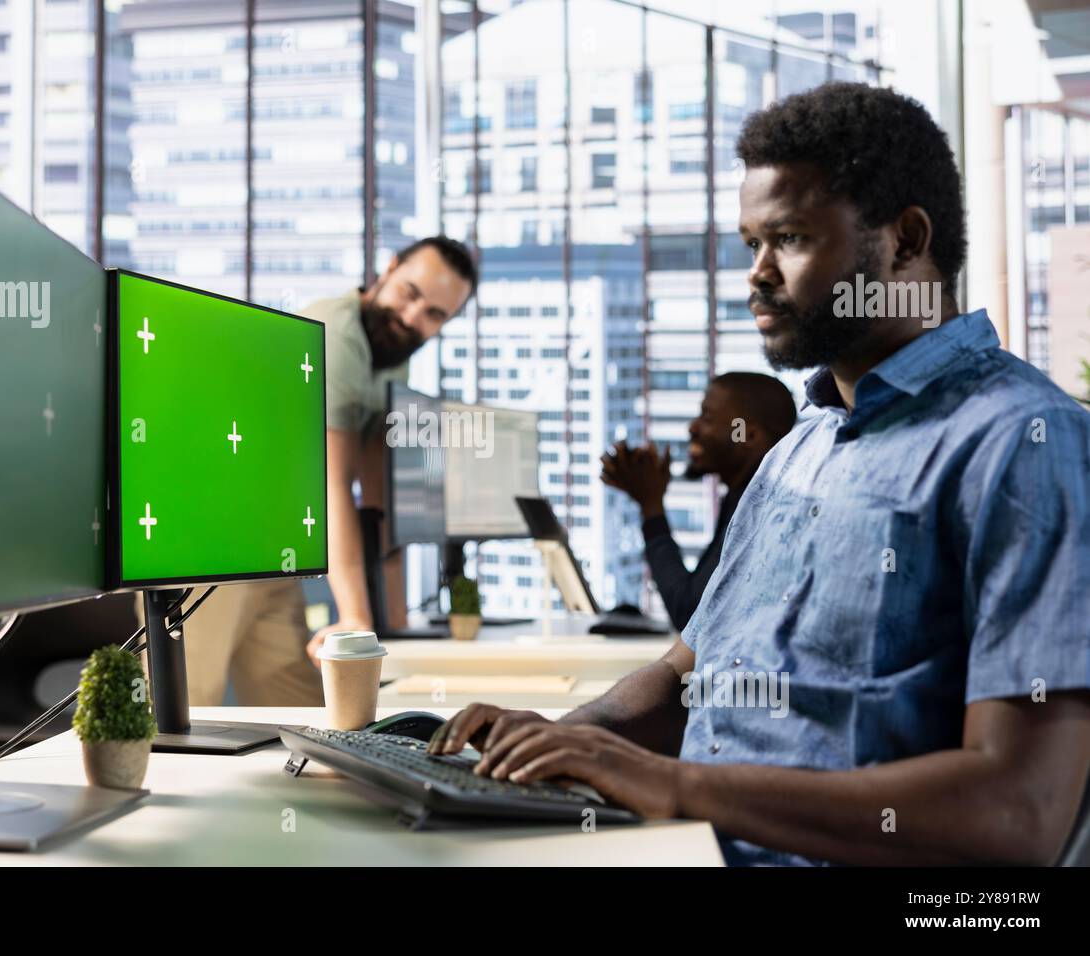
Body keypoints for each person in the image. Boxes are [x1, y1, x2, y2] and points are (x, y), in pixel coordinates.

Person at [427, 82, 1090, 866]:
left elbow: (1018, 814)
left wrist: (672, 786)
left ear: (906, 240)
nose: (758, 274)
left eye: (792, 239)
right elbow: (683, 678)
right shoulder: (796, 453)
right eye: (752, 245)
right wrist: (555, 743)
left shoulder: (1024, 442)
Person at [181, 237, 476, 706]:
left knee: (297, 712)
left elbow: (373, 490)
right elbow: (331, 482)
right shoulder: (337, 336)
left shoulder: (389, 360)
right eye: (410, 293)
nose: (413, 317)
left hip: (269, 551)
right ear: (388, 268)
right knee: (185, 711)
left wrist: (387, 619)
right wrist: (357, 618)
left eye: (435, 314)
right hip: (207, 538)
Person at [601, 372, 795, 629]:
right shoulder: (744, 495)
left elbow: (689, 613)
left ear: (746, 435)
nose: (692, 427)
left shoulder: (759, 507)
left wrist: (651, 507)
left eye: (707, 417)